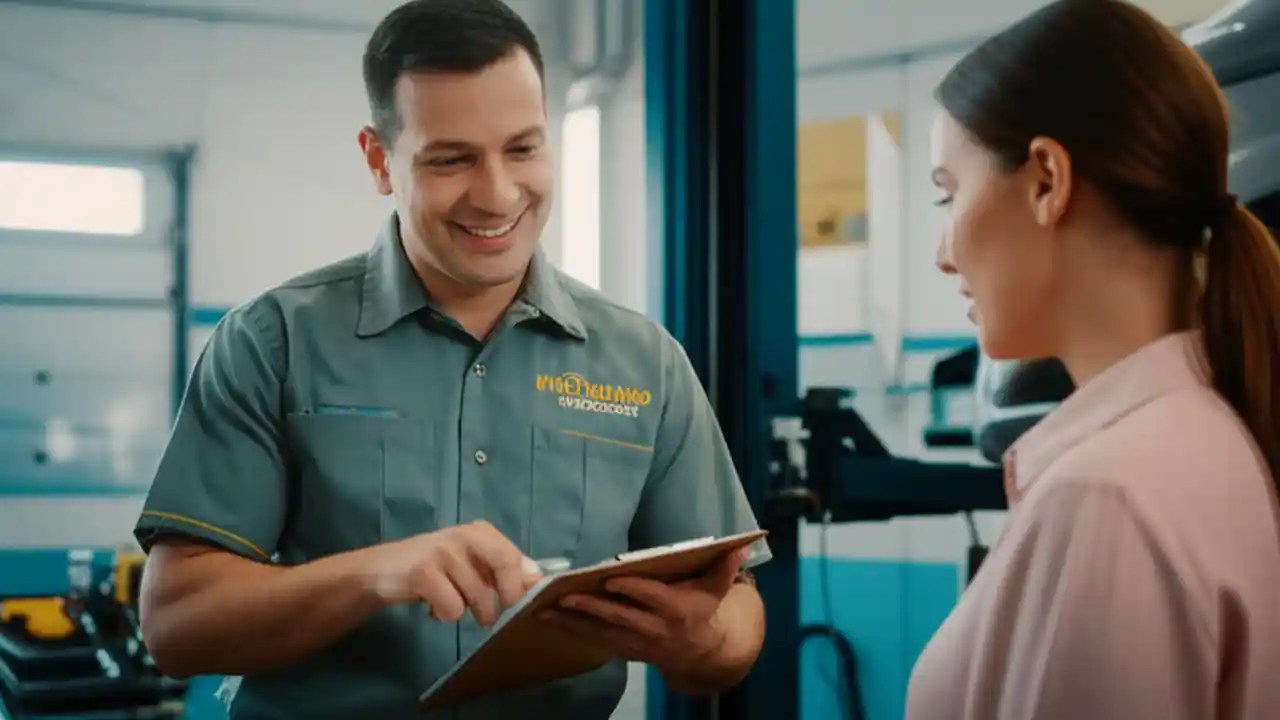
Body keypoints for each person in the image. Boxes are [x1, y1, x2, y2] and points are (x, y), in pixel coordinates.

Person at [132, 1, 770, 717]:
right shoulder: (271, 342)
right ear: (380, 161)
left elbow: (737, 605)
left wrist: (700, 640)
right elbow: (176, 626)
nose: (498, 195)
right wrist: (376, 575)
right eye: (451, 159)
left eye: (523, 149)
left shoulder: (644, 363)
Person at [913, 1, 1280, 718]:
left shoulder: (1109, 495)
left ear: (1047, 181)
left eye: (948, 195)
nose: (943, 254)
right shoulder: (1211, 442)